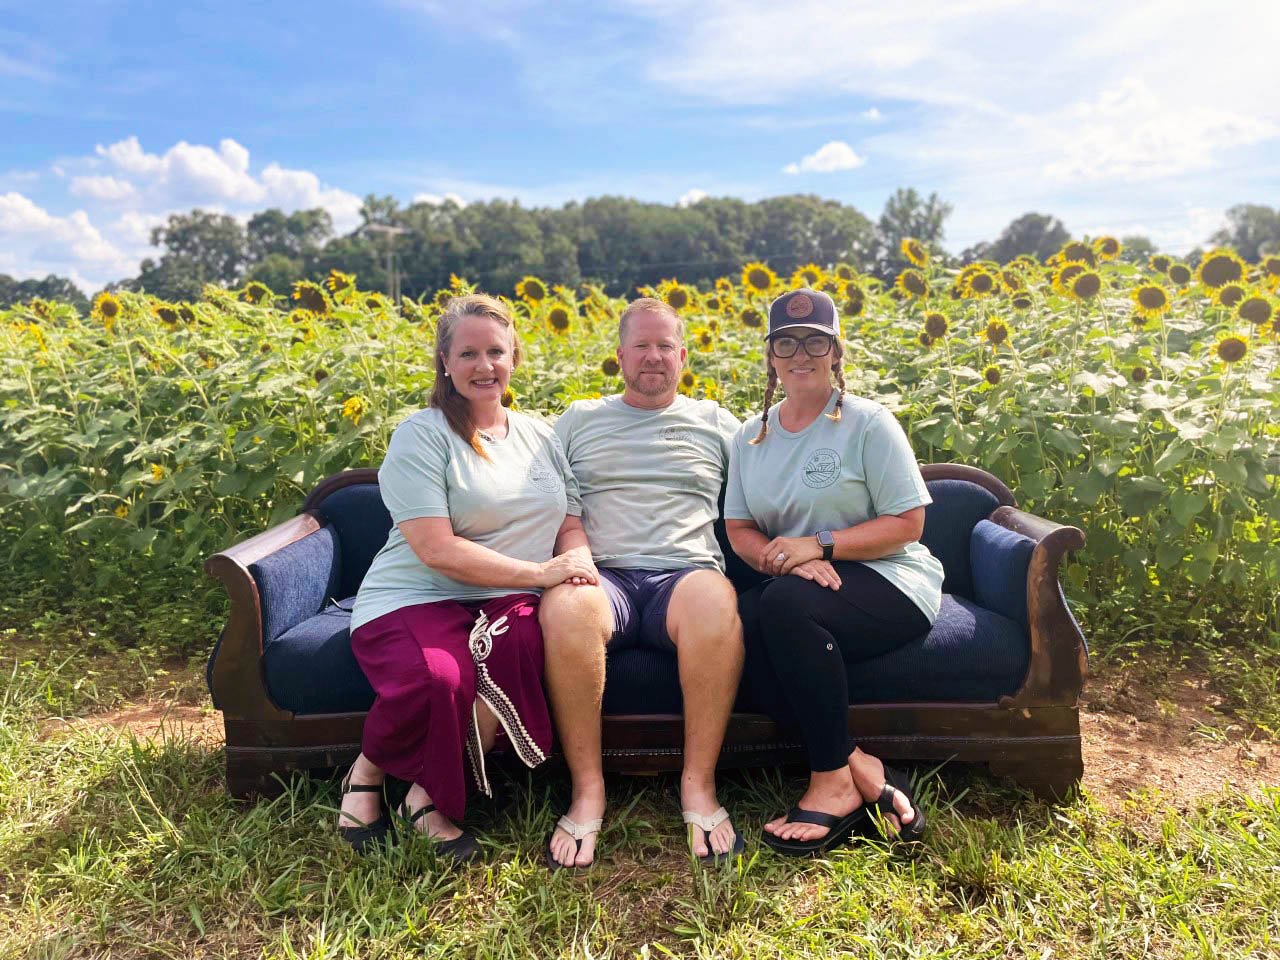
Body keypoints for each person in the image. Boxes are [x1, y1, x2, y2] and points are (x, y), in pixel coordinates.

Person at [338, 294, 596, 863]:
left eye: (496, 352)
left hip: (508, 600)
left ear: (514, 358)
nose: (485, 366)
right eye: (468, 353)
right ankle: (365, 773)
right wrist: (542, 572)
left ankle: (423, 797)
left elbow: (569, 522)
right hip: (416, 595)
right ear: (445, 362)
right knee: (439, 678)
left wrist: (579, 567)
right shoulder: (421, 435)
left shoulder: (540, 436)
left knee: (521, 651)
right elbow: (436, 550)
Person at [724, 288, 943, 856]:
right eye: (786, 343)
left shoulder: (868, 423)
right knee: (735, 628)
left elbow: (908, 523)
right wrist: (783, 560)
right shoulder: (749, 436)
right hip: (798, 585)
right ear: (770, 356)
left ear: (836, 352)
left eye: (815, 342)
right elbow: (739, 528)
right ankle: (858, 764)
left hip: (892, 579)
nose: (801, 354)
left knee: (781, 606)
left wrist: (818, 547)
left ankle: (830, 782)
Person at [538, 297, 745, 869]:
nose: (653, 356)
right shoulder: (578, 420)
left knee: (715, 604)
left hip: (686, 574)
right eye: (641, 346)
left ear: (683, 357)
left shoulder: (717, 423)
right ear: (620, 356)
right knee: (566, 609)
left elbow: (770, 489)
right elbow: (542, 497)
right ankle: (588, 789)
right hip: (602, 574)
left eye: (665, 346)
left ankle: (698, 785)